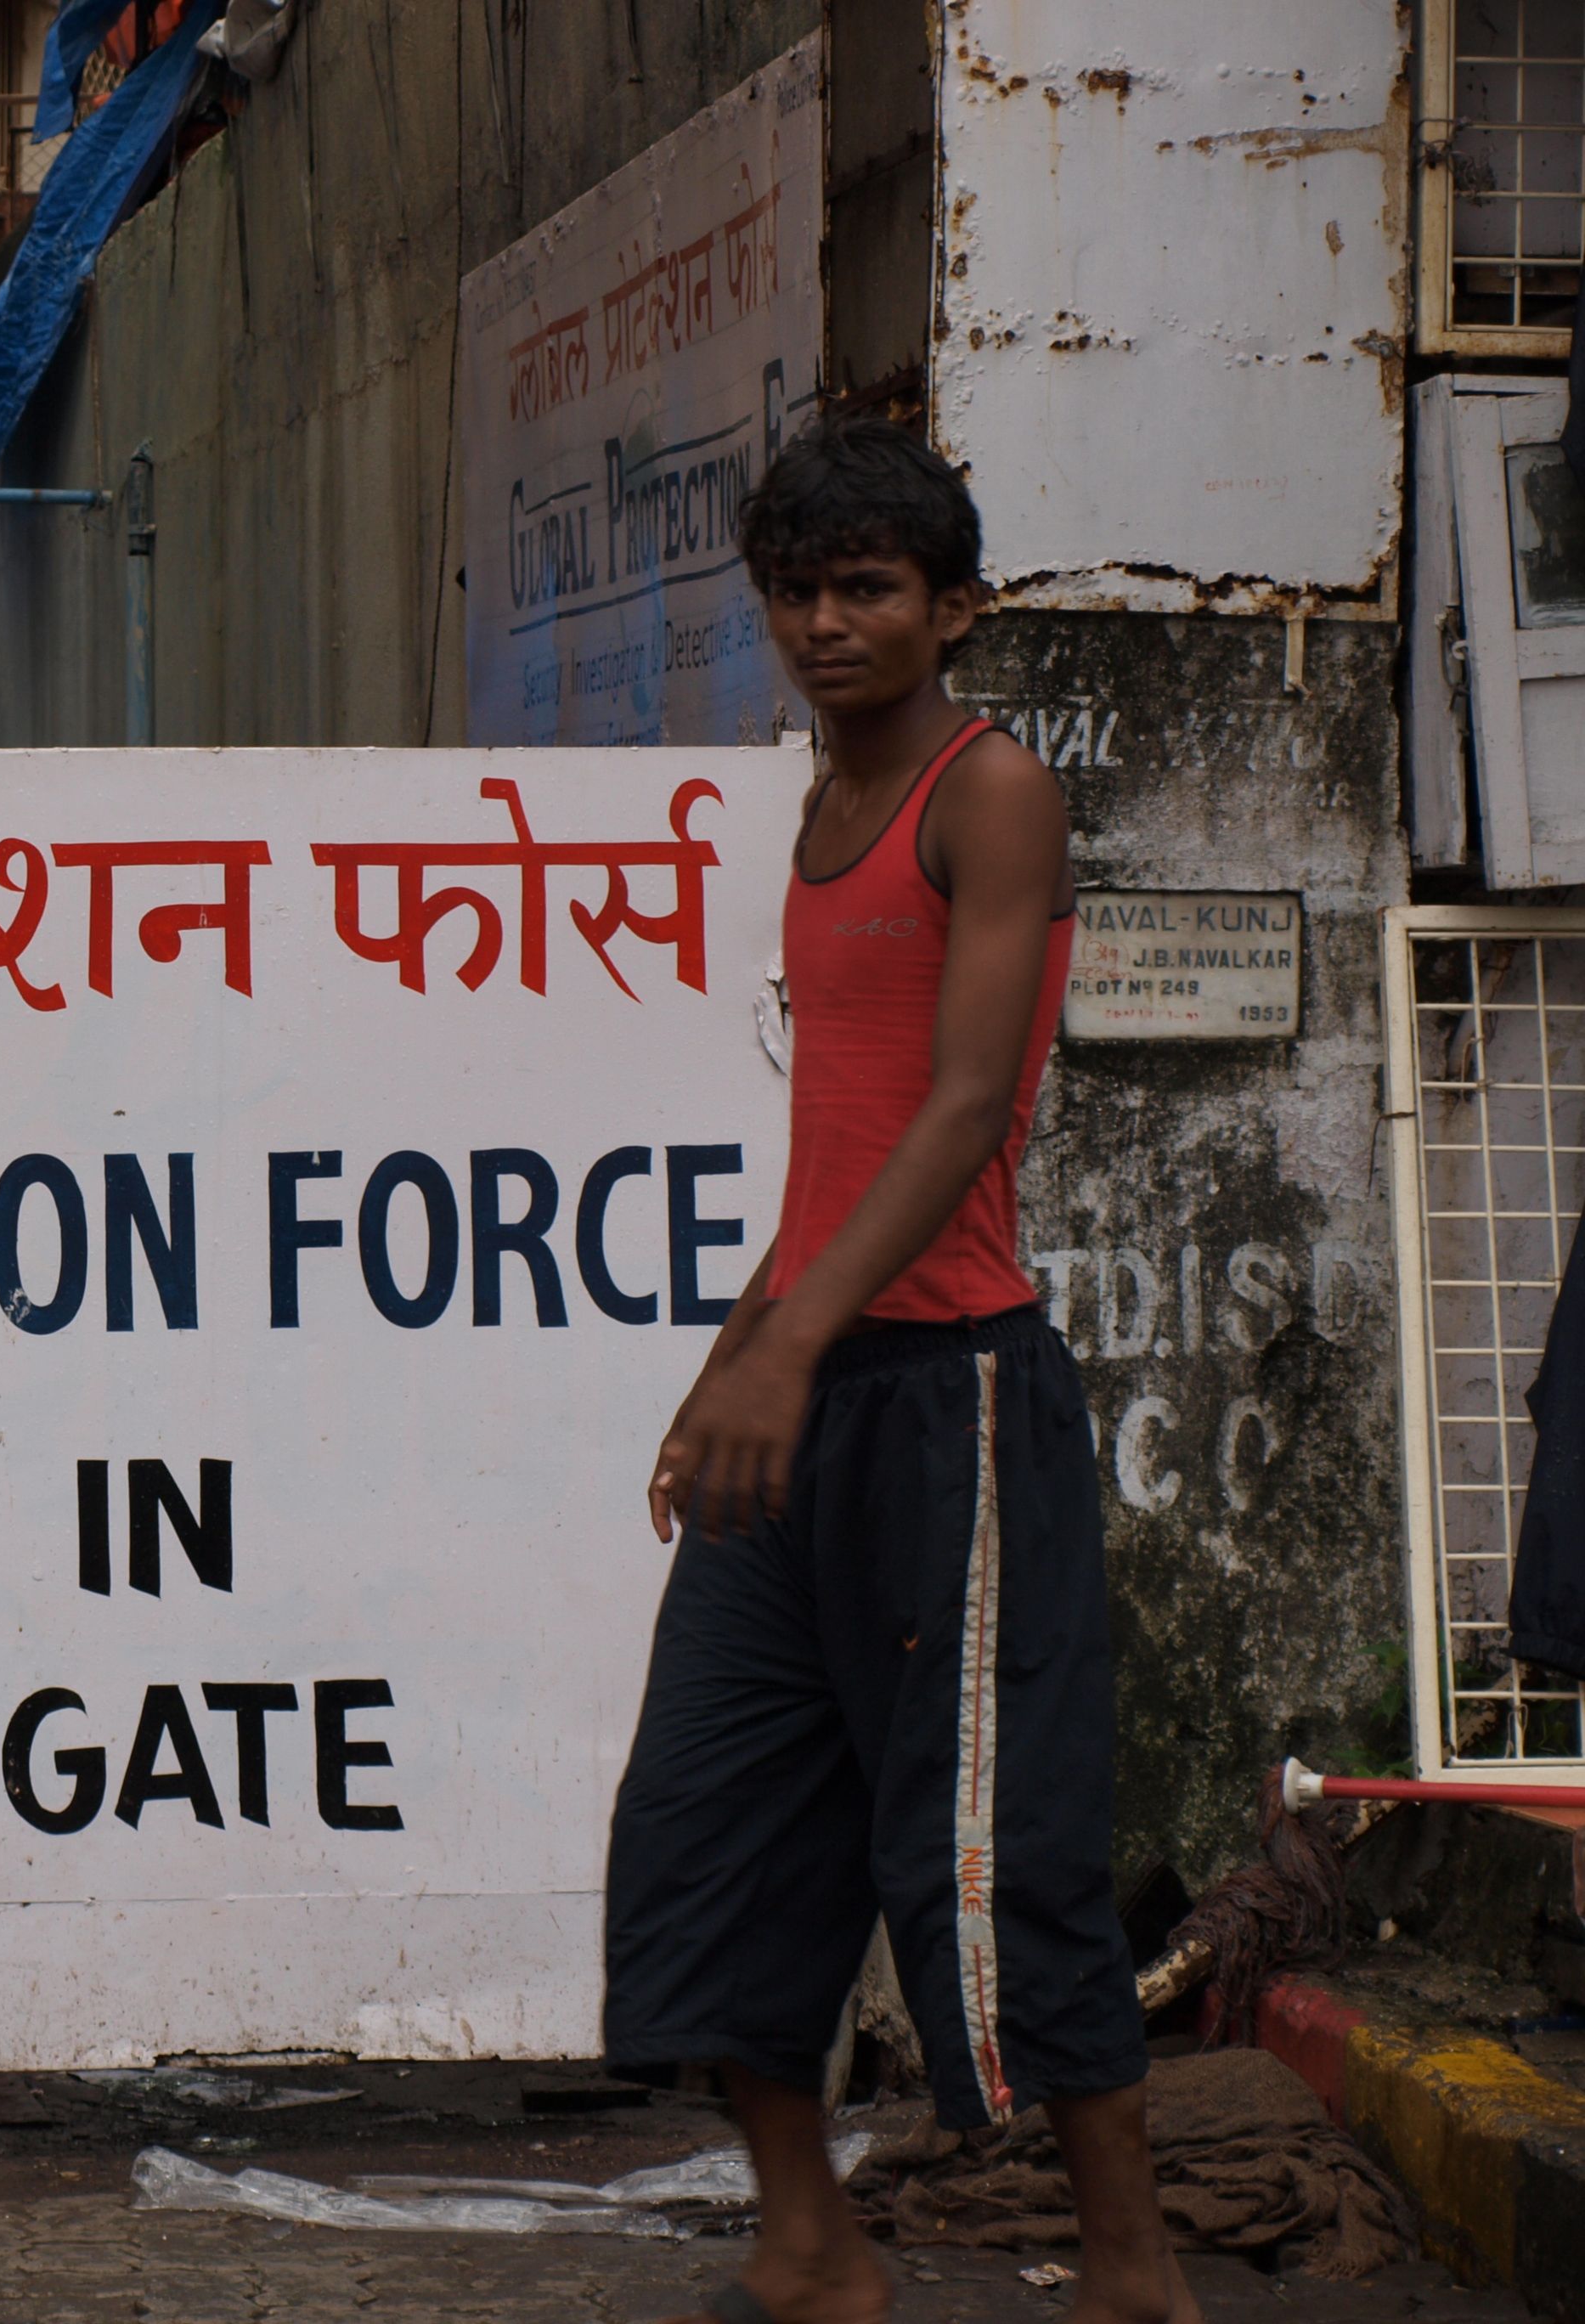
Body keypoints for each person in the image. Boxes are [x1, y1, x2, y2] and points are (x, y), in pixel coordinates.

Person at [601, 419, 1197, 2324]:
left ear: (951, 607)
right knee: (708, 1819)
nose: (826, 623)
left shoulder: (985, 790)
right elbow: (839, 1132)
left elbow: (960, 1118)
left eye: (869, 589)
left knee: (994, 1860)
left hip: (953, 1401)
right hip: (817, 1379)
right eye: (798, 589)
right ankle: (809, 2246)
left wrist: (798, 1344)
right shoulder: (813, 809)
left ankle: (1128, 2272)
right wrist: (739, 1348)